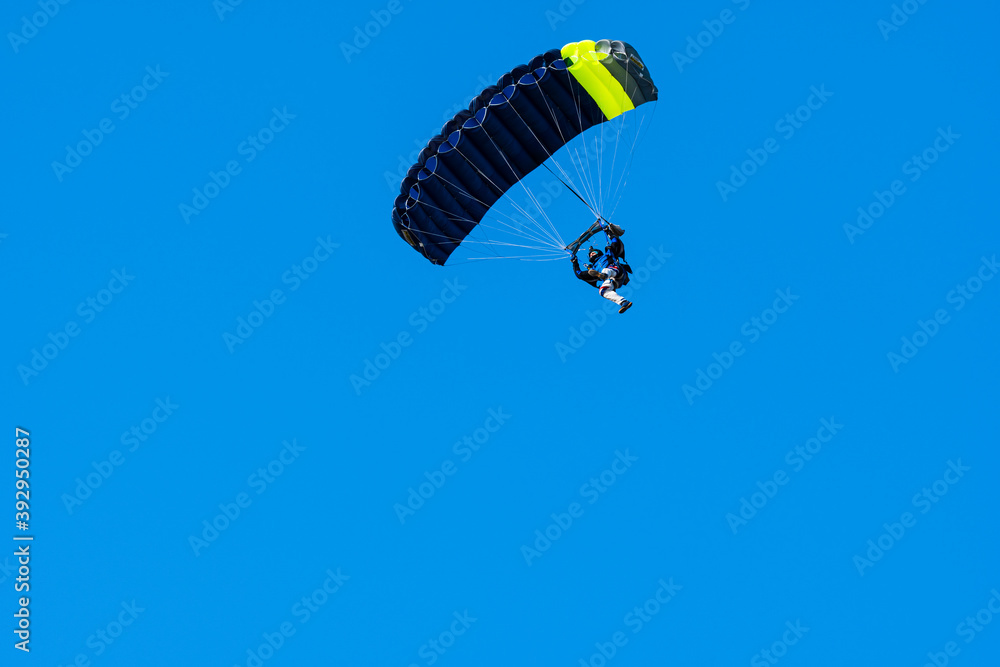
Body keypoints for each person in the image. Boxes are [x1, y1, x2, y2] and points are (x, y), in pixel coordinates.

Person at [570, 220, 632, 313]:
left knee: (607, 270)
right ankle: (623, 302)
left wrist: (608, 232)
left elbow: (615, 242)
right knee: (602, 291)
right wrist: (575, 262)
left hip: (617, 271)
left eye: (593, 252)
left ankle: (603, 275)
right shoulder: (593, 268)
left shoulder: (607, 254)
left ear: (598, 252)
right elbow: (579, 274)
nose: (591, 254)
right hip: (614, 282)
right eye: (590, 254)